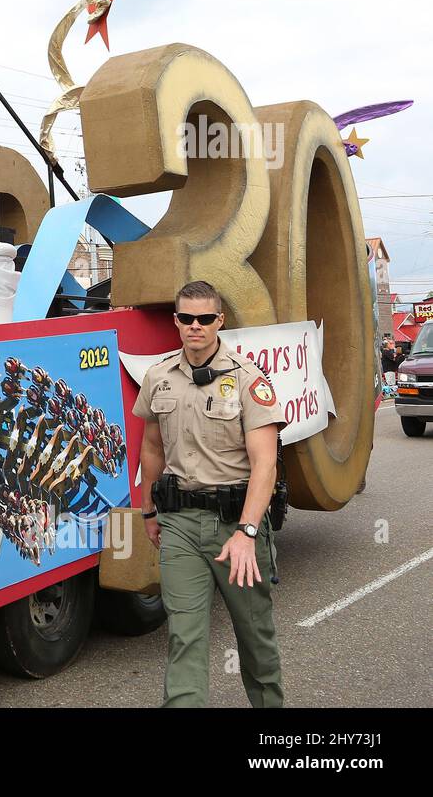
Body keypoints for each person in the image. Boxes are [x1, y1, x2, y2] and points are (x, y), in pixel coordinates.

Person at [134, 280, 286, 707]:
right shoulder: (159, 376)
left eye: (204, 318)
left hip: (236, 526)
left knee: (255, 639)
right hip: (180, 524)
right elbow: (151, 447)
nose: (195, 326)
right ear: (176, 321)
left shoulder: (248, 380)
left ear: (220, 320)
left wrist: (248, 532)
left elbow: (265, 464)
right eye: (186, 318)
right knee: (185, 636)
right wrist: (148, 510)